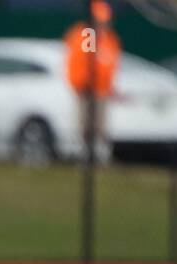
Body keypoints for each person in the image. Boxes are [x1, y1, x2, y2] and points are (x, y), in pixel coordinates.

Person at [65, 0, 121, 165]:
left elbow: (111, 64)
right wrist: (83, 83)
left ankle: (100, 157)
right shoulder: (87, 35)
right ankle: (85, 157)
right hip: (86, 88)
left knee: (100, 126)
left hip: (101, 89)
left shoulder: (110, 39)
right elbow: (84, 60)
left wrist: (109, 86)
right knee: (85, 125)